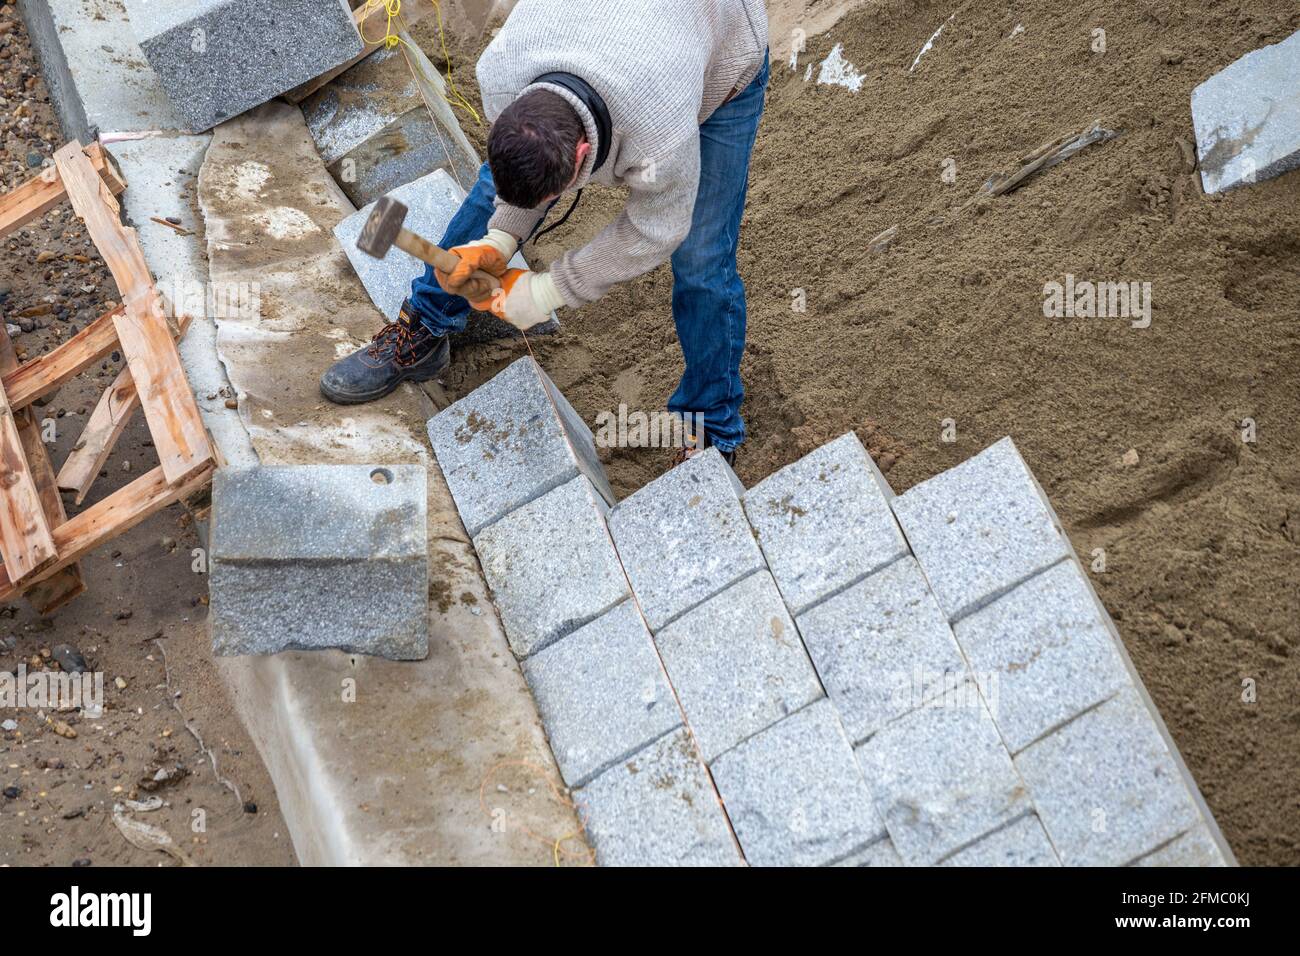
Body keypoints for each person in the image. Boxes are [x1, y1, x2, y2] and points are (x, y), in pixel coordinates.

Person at [321, 0, 769, 465]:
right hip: (613, 41)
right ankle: (425, 327)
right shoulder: (500, 69)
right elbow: (515, 183)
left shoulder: (661, 135)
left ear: (581, 157)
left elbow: (657, 228)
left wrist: (548, 290)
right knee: (496, 183)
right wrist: (499, 238)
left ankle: (712, 426)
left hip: (720, 57)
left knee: (701, 258)